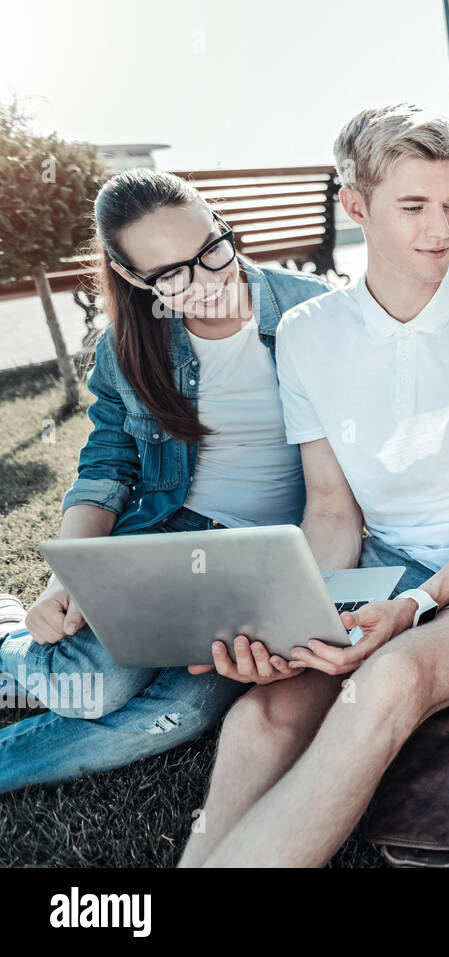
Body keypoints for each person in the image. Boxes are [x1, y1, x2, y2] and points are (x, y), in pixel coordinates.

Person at [179, 104, 449, 868]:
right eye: (414, 206)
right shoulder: (305, 334)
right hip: (378, 570)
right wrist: (298, 618)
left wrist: (418, 605)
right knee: (259, 719)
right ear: (355, 207)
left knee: (388, 680)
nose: (442, 227)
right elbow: (330, 507)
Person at [0, 169, 332, 793]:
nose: (208, 283)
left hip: (269, 561)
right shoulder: (127, 345)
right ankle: (11, 643)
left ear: (222, 225)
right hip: (167, 540)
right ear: (132, 278)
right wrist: (66, 578)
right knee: (92, 684)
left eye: (211, 251)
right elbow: (107, 466)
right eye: (172, 275)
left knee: (174, 714)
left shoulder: (311, 311)